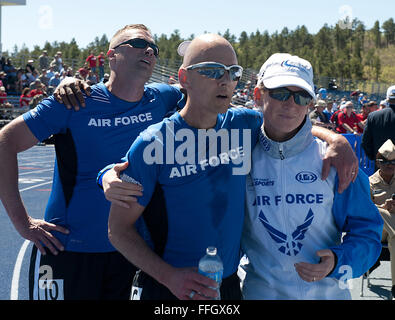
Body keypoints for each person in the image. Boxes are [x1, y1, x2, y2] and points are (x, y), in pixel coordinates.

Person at [101, 36, 359, 301]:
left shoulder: (242, 125)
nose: (225, 81)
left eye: (233, 73)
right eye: (212, 71)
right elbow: (118, 230)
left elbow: (288, 120)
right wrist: (168, 276)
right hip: (167, 289)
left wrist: (336, 140)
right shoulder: (153, 143)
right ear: (184, 78)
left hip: (227, 287)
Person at [0, 24, 183, 300]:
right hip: (68, 251)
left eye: (153, 49)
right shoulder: (75, 101)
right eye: (136, 42)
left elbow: (202, 87)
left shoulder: (162, 98)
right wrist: (23, 222)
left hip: (133, 253)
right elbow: (5, 141)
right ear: (111, 56)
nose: (148, 50)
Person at [241, 53, 383, 300]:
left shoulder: (335, 161)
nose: (291, 104)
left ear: (310, 104)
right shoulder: (238, 160)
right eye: (280, 93)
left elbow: (368, 234)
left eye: (301, 96)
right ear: (257, 95)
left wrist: (338, 260)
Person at [369, 139, 395, 299]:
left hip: (392, 234)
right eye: (384, 161)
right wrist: (384, 208)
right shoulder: (370, 182)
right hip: (378, 230)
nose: (389, 165)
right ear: (377, 163)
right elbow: (365, 211)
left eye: (393, 161)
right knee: (376, 211)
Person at [362, 85, 395, 161]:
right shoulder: (373, 116)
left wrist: (377, 159)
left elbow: (365, 142)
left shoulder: (373, 116)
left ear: (387, 99)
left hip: (381, 166)